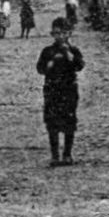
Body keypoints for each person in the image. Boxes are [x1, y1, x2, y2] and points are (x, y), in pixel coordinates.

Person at [37, 17, 85, 166]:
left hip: (69, 89)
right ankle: (55, 155)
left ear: (69, 34)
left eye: (63, 33)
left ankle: (67, 154)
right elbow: (40, 68)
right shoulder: (48, 51)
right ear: (53, 34)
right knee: (52, 122)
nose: (60, 36)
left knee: (69, 120)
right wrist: (50, 64)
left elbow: (80, 65)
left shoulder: (73, 50)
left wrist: (69, 56)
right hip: (52, 89)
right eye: (56, 33)